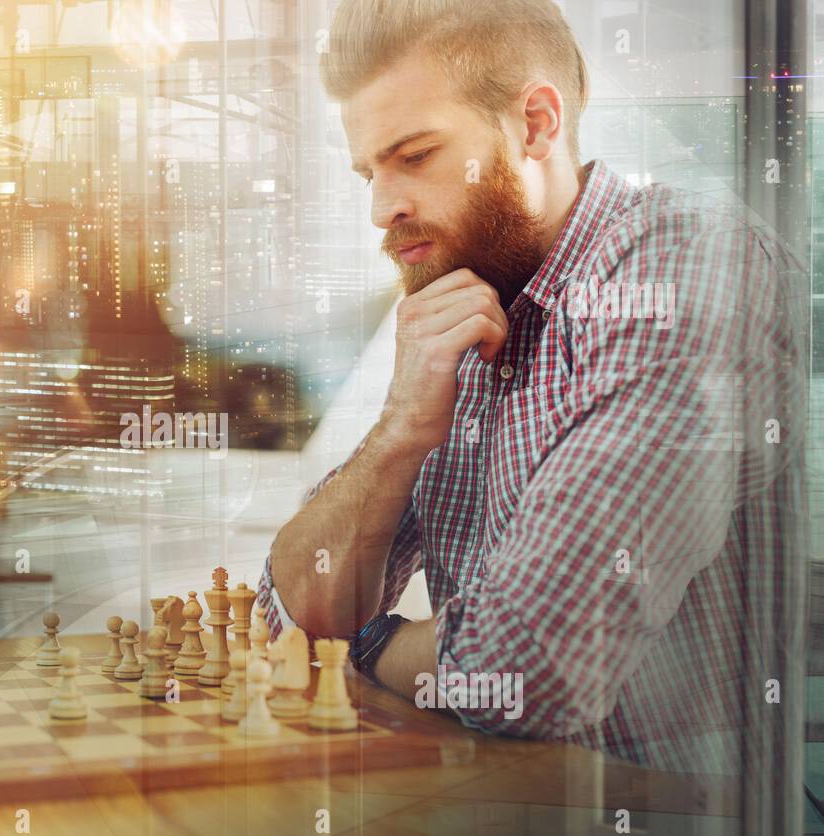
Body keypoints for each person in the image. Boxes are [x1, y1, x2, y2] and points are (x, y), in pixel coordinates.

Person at [259, 0, 807, 774]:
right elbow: (287, 611)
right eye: (369, 171)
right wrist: (399, 432)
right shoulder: (472, 301)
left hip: (670, 834)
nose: (383, 208)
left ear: (536, 125)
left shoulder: (684, 272)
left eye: (414, 155)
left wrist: (368, 643)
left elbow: (523, 667)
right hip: (491, 819)